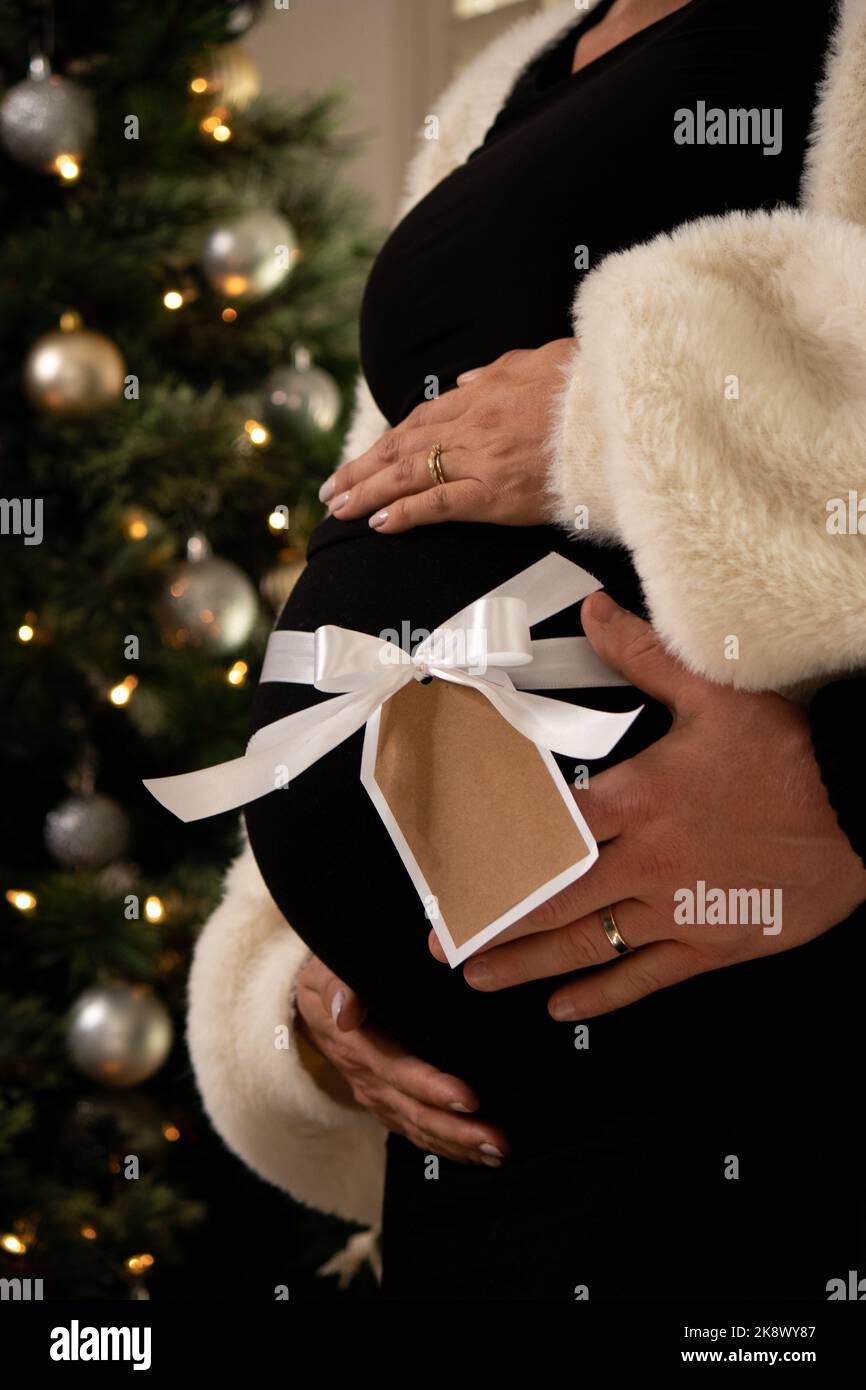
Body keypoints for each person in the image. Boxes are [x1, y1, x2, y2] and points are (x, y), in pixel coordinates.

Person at [187, 0, 866, 1299]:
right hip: (482, 1141)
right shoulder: (511, 68)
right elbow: (380, 511)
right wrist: (312, 966)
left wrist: (842, 794)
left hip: (766, 1075)